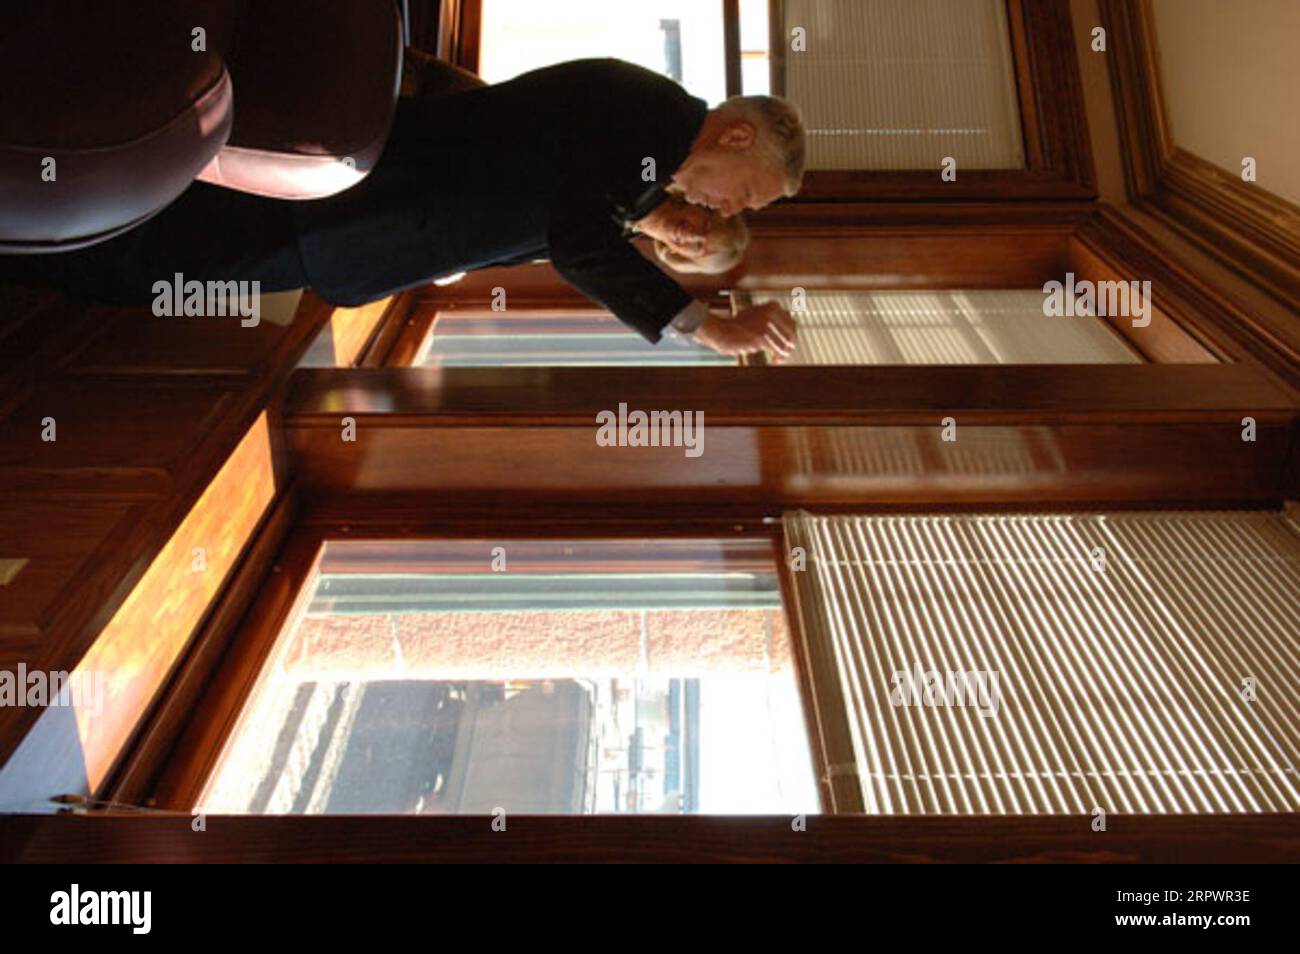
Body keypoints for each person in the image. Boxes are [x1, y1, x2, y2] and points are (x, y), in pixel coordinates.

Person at [0, 58, 802, 360]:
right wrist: (703, 325)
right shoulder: (649, 125)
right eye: (749, 193)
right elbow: (577, 240)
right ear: (736, 137)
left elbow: (549, 216)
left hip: (357, 219)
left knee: (144, 247)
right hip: (350, 212)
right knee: (144, 252)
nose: (731, 208)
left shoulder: (647, 151)